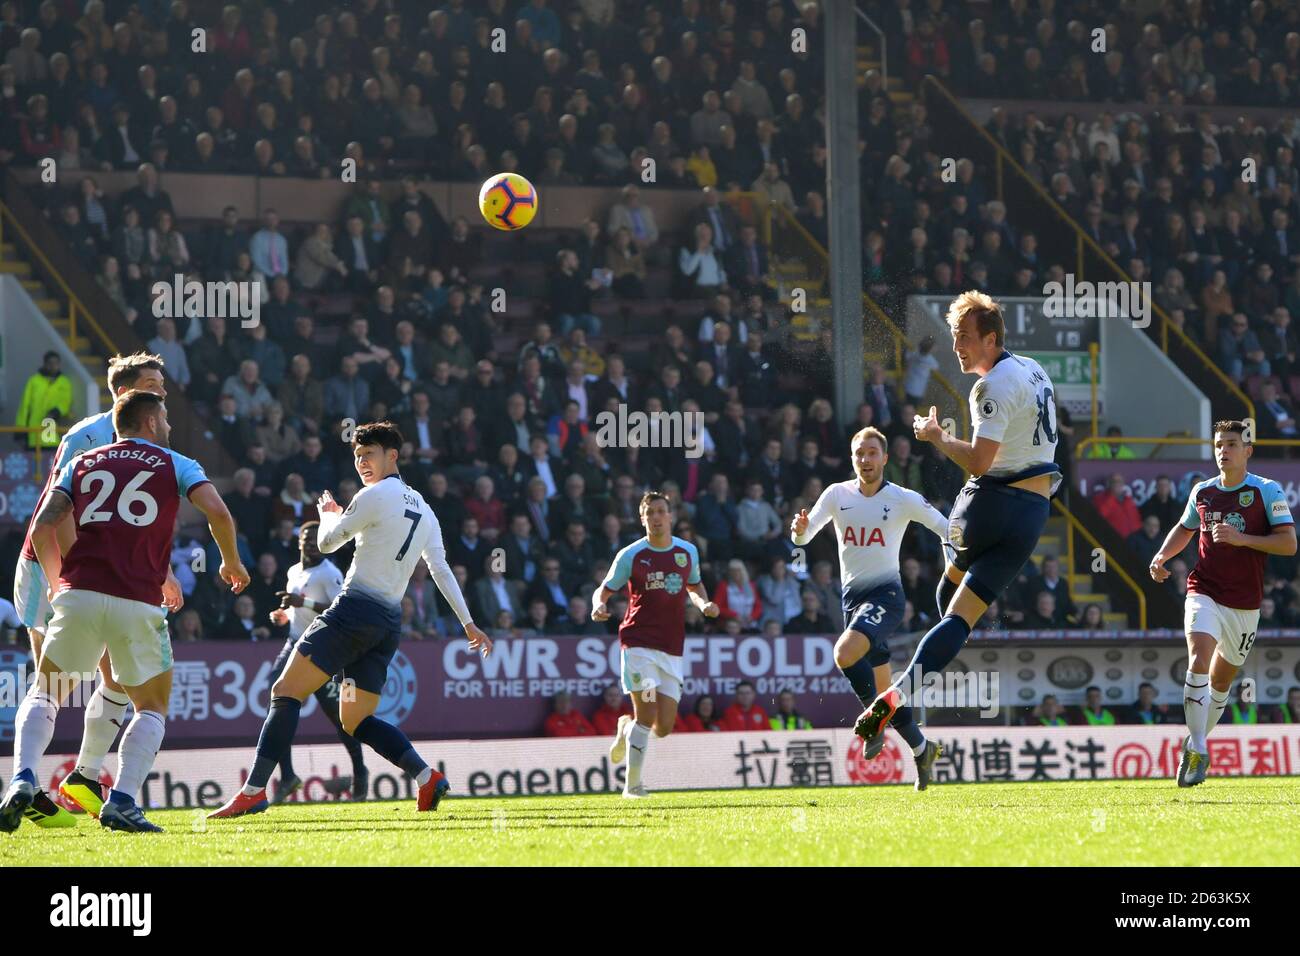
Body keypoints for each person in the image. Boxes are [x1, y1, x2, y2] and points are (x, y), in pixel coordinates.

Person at [208, 422, 492, 819]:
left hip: (352, 611)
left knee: (285, 691)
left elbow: (326, 544)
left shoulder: (374, 495)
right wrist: (467, 623)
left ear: (392, 456)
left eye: (369, 454)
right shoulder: (425, 510)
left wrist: (328, 514)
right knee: (356, 718)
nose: (361, 463)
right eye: (357, 456)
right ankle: (426, 776)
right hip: (387, 624)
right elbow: (441, 568)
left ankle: (254, 790)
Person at [2, 389, 248, 833]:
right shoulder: (177, 463)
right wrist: (230, 561)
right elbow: (219, 512)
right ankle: (122, 801)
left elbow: (42, 527)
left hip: (80, 596)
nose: (170, 427)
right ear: (150, 422)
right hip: (138, 601)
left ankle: (21, 777)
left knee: (45, 692)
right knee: (151, 707)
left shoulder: (82, 462)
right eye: (166, 419)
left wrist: (60, 588)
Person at [858, 291, 1060, 761]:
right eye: (953, 337)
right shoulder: (1034, 369)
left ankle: (899, 686)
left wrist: (936, 436)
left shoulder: (989, 387)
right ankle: (901, 697)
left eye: (965, 338)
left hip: (989, 503)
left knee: (946, 604)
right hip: (1032, 515)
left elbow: (981, 461)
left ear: (991, 339)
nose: (957, 347)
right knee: (958, 615)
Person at [11, 352, 185, 825]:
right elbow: (60, 513)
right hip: (52, 563)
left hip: (97, 570)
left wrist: (160, 570)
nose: (161, 393)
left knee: (115, 678)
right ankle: (34, 785)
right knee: (54, 682)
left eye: (162, 386)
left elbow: (136, 519)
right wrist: (64, 580)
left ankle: (80, 777)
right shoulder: (85, 437)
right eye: (152, 383)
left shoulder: (144, 439)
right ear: (124, 393)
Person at [790, 424, 948, 787]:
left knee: (844, 653)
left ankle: (872, 721)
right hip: (853, 601)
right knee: (884, 693)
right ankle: (923, 749)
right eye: (859, 453)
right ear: (852, 459)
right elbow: (804, 535)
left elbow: (944, 527)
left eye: (872, 453)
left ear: (886, 459)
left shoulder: (903, 498)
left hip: (886, 597)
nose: (866, 459)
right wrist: (798, 529)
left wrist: (958, 559)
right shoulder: (836, 494)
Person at [1149, 419, 1295, 786]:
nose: (1223, 451)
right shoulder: (1202, 491)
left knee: (1221, 681)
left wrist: (1243, 539)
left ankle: (1196, 740)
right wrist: (1161, 556)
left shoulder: (1267, 491)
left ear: (1248, 450)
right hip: (1205, 590)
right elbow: (1185, 528)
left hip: (1245, 604)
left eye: (1231, 444)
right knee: (1198, 658)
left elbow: (1288, 544)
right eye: (1218, 444)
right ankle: (1198, 748)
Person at [591, 491, 720, 798]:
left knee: (663, 727)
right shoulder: (631, 555)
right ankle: (632, 786)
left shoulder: (687, 551)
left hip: (672, 648)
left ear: (670, 515)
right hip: (639, 644)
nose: (657, 517)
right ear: (643, 519)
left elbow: (694, 583)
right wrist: (598, 606)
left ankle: (626, 727)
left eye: (662, 511)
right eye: (651, 513)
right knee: (647, 715)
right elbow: (605, 589)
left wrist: (703, 603)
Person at [265, 521, 369, 802]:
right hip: (294, 642)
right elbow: (295, 608)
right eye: (307, 539)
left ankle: (360, 771)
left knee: (340, 718)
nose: (311, 544)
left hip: (322, 648)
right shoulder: (293, 572)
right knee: (278, 698)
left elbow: (341, 610)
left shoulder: (329, 573)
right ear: (299, 541)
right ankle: (287, 775)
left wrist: (305, 605)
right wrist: (284, 614)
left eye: (316, 540)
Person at [15, 351, 71, 448]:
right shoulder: (34, 381)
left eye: (56, 363)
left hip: (53, 430)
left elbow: (65, 402)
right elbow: (24, 407)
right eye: (50, 363)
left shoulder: (64, 382)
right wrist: (21, 428)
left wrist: (56, 411)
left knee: (50, 458)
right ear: (45, 364)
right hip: (34, 432)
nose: (53, 366)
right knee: (34, 460)